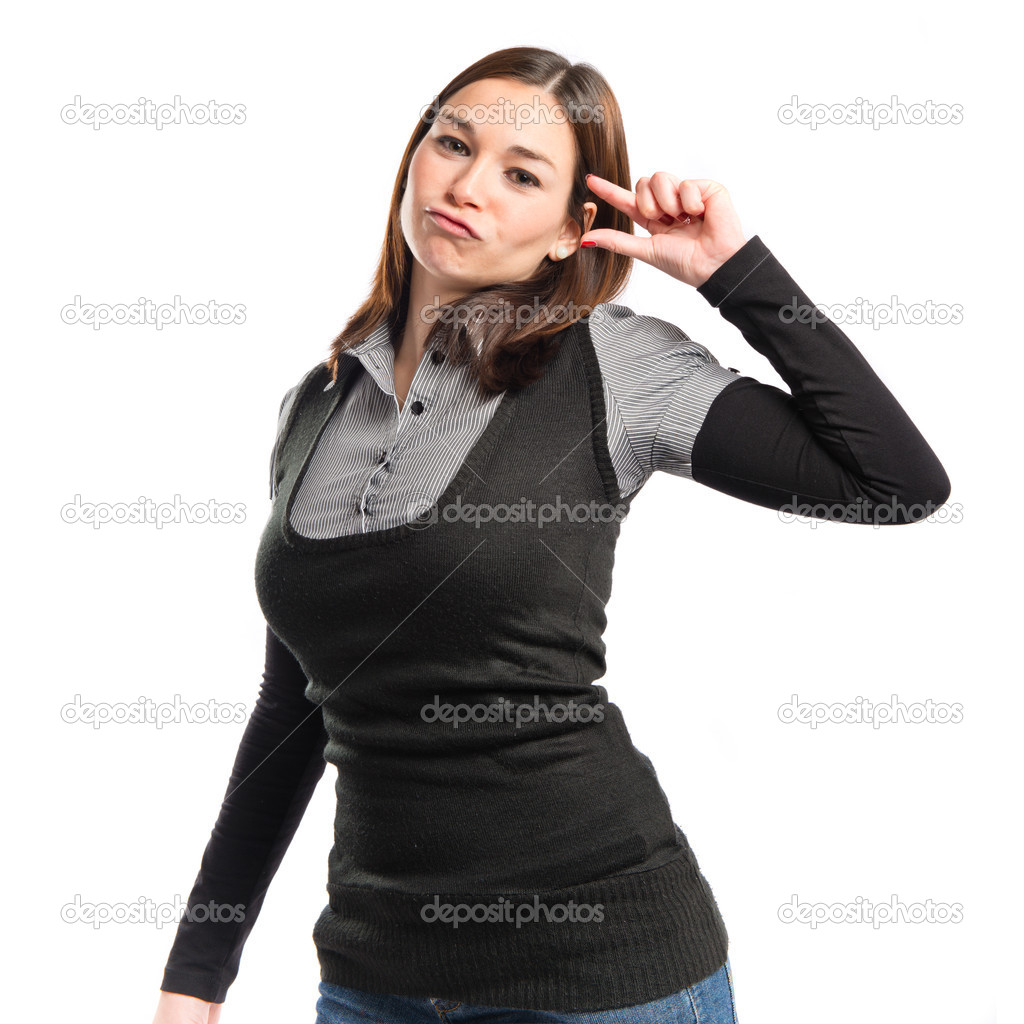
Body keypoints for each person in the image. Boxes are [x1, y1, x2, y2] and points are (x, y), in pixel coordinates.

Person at [152, 46, 950, 1024]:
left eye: (520, 174)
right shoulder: (314, 407)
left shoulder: (615, 367)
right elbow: (296, 705)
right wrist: (196, 975)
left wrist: (733, 273)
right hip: (374, 981)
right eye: (452, 142)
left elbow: (896, 481)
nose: (467, 183)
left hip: (602, 978)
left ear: (575, 229)